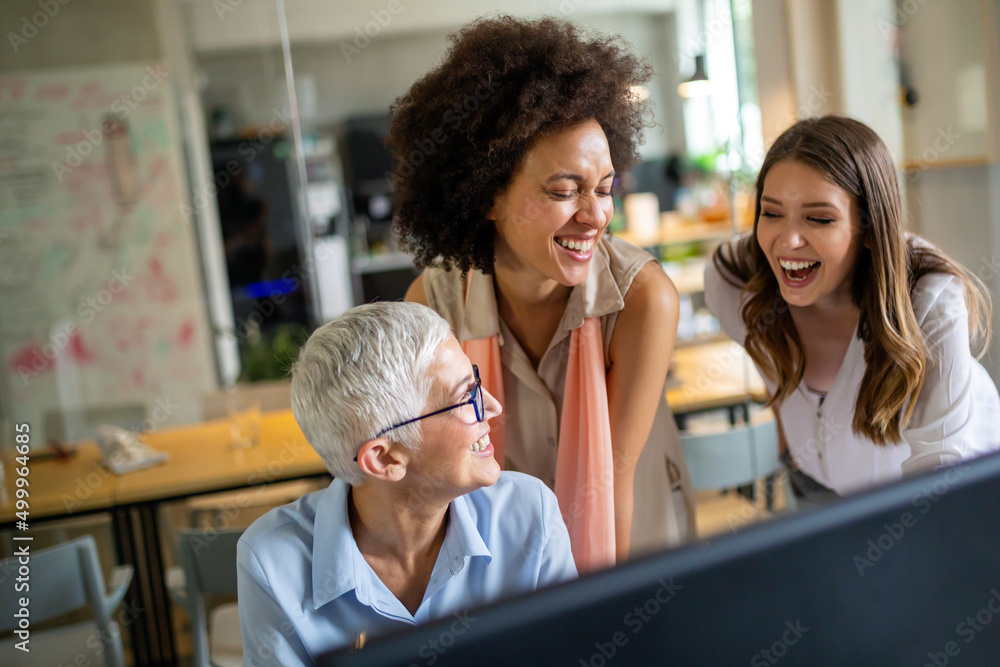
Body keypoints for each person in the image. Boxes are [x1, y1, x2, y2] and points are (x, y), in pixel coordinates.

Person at [389, 16, 695, 570]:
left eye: (604, 189)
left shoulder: (643, 300)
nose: (596, 215)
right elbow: (432, 477)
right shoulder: (434, 305)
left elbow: (612, 481)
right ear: (486, 195)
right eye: (563, 190)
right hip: (503, 562)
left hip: (635, 556)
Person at [237, 302, 577, 664]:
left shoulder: (530, 513)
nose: (491, 406)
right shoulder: (272, 562)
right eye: (466, 396)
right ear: (384, 459)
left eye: (474, 382)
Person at [704, 115, 999, 500]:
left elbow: (940, 474)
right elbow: (769, 365)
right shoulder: (733, 280)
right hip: (815, 486)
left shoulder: (929, 298)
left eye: (819, 218)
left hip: (935, 494)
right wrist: (789, 451)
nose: (787, 240)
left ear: (871, 230)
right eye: (772, 212)